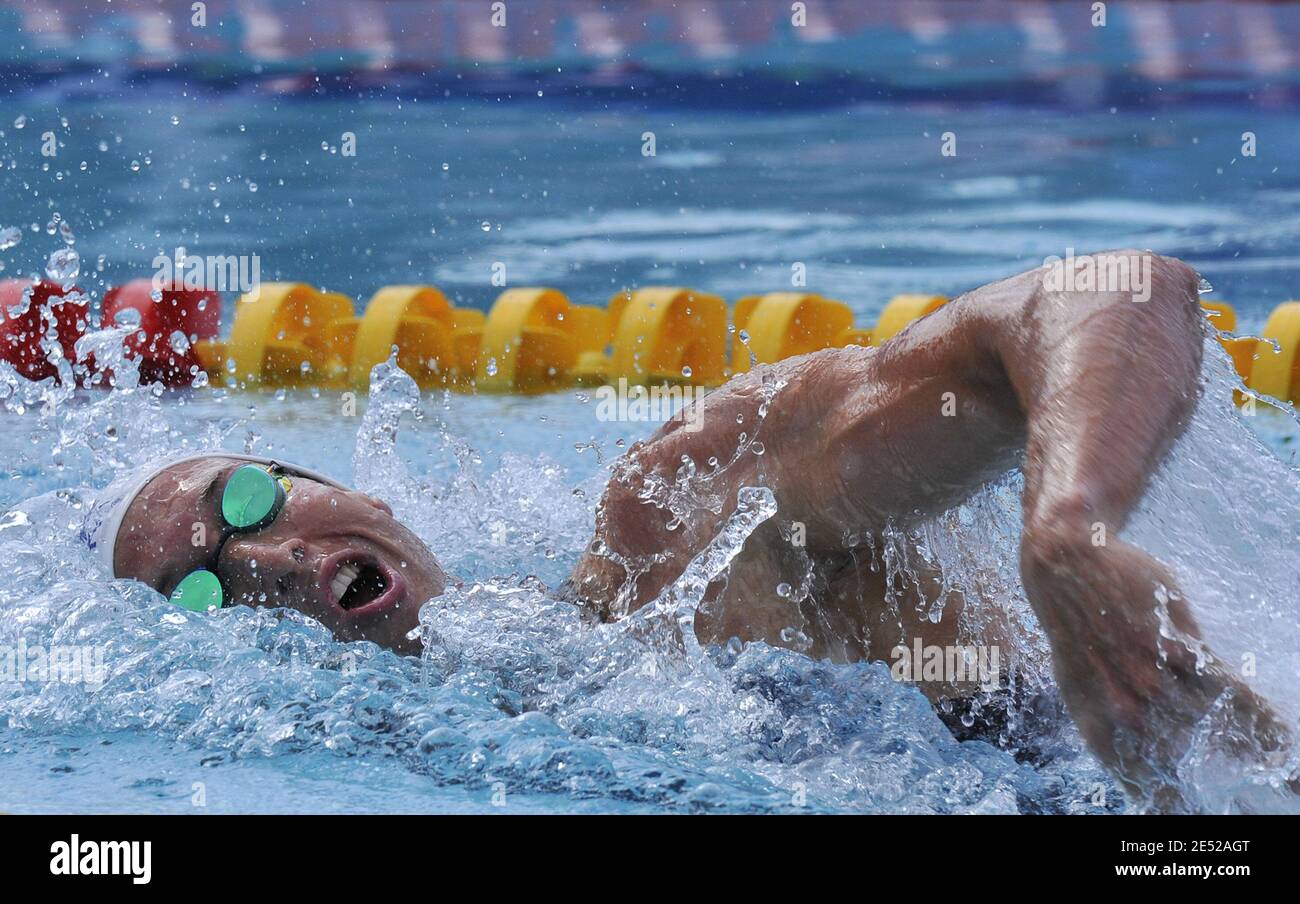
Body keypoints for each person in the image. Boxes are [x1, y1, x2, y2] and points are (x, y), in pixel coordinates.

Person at [81, 250, 1292, 809]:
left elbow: (1115, 290)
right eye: (206, 592)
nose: (266, 562)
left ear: (364, 494)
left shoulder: (688, 519)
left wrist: (1068, 529)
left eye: (247, 504)